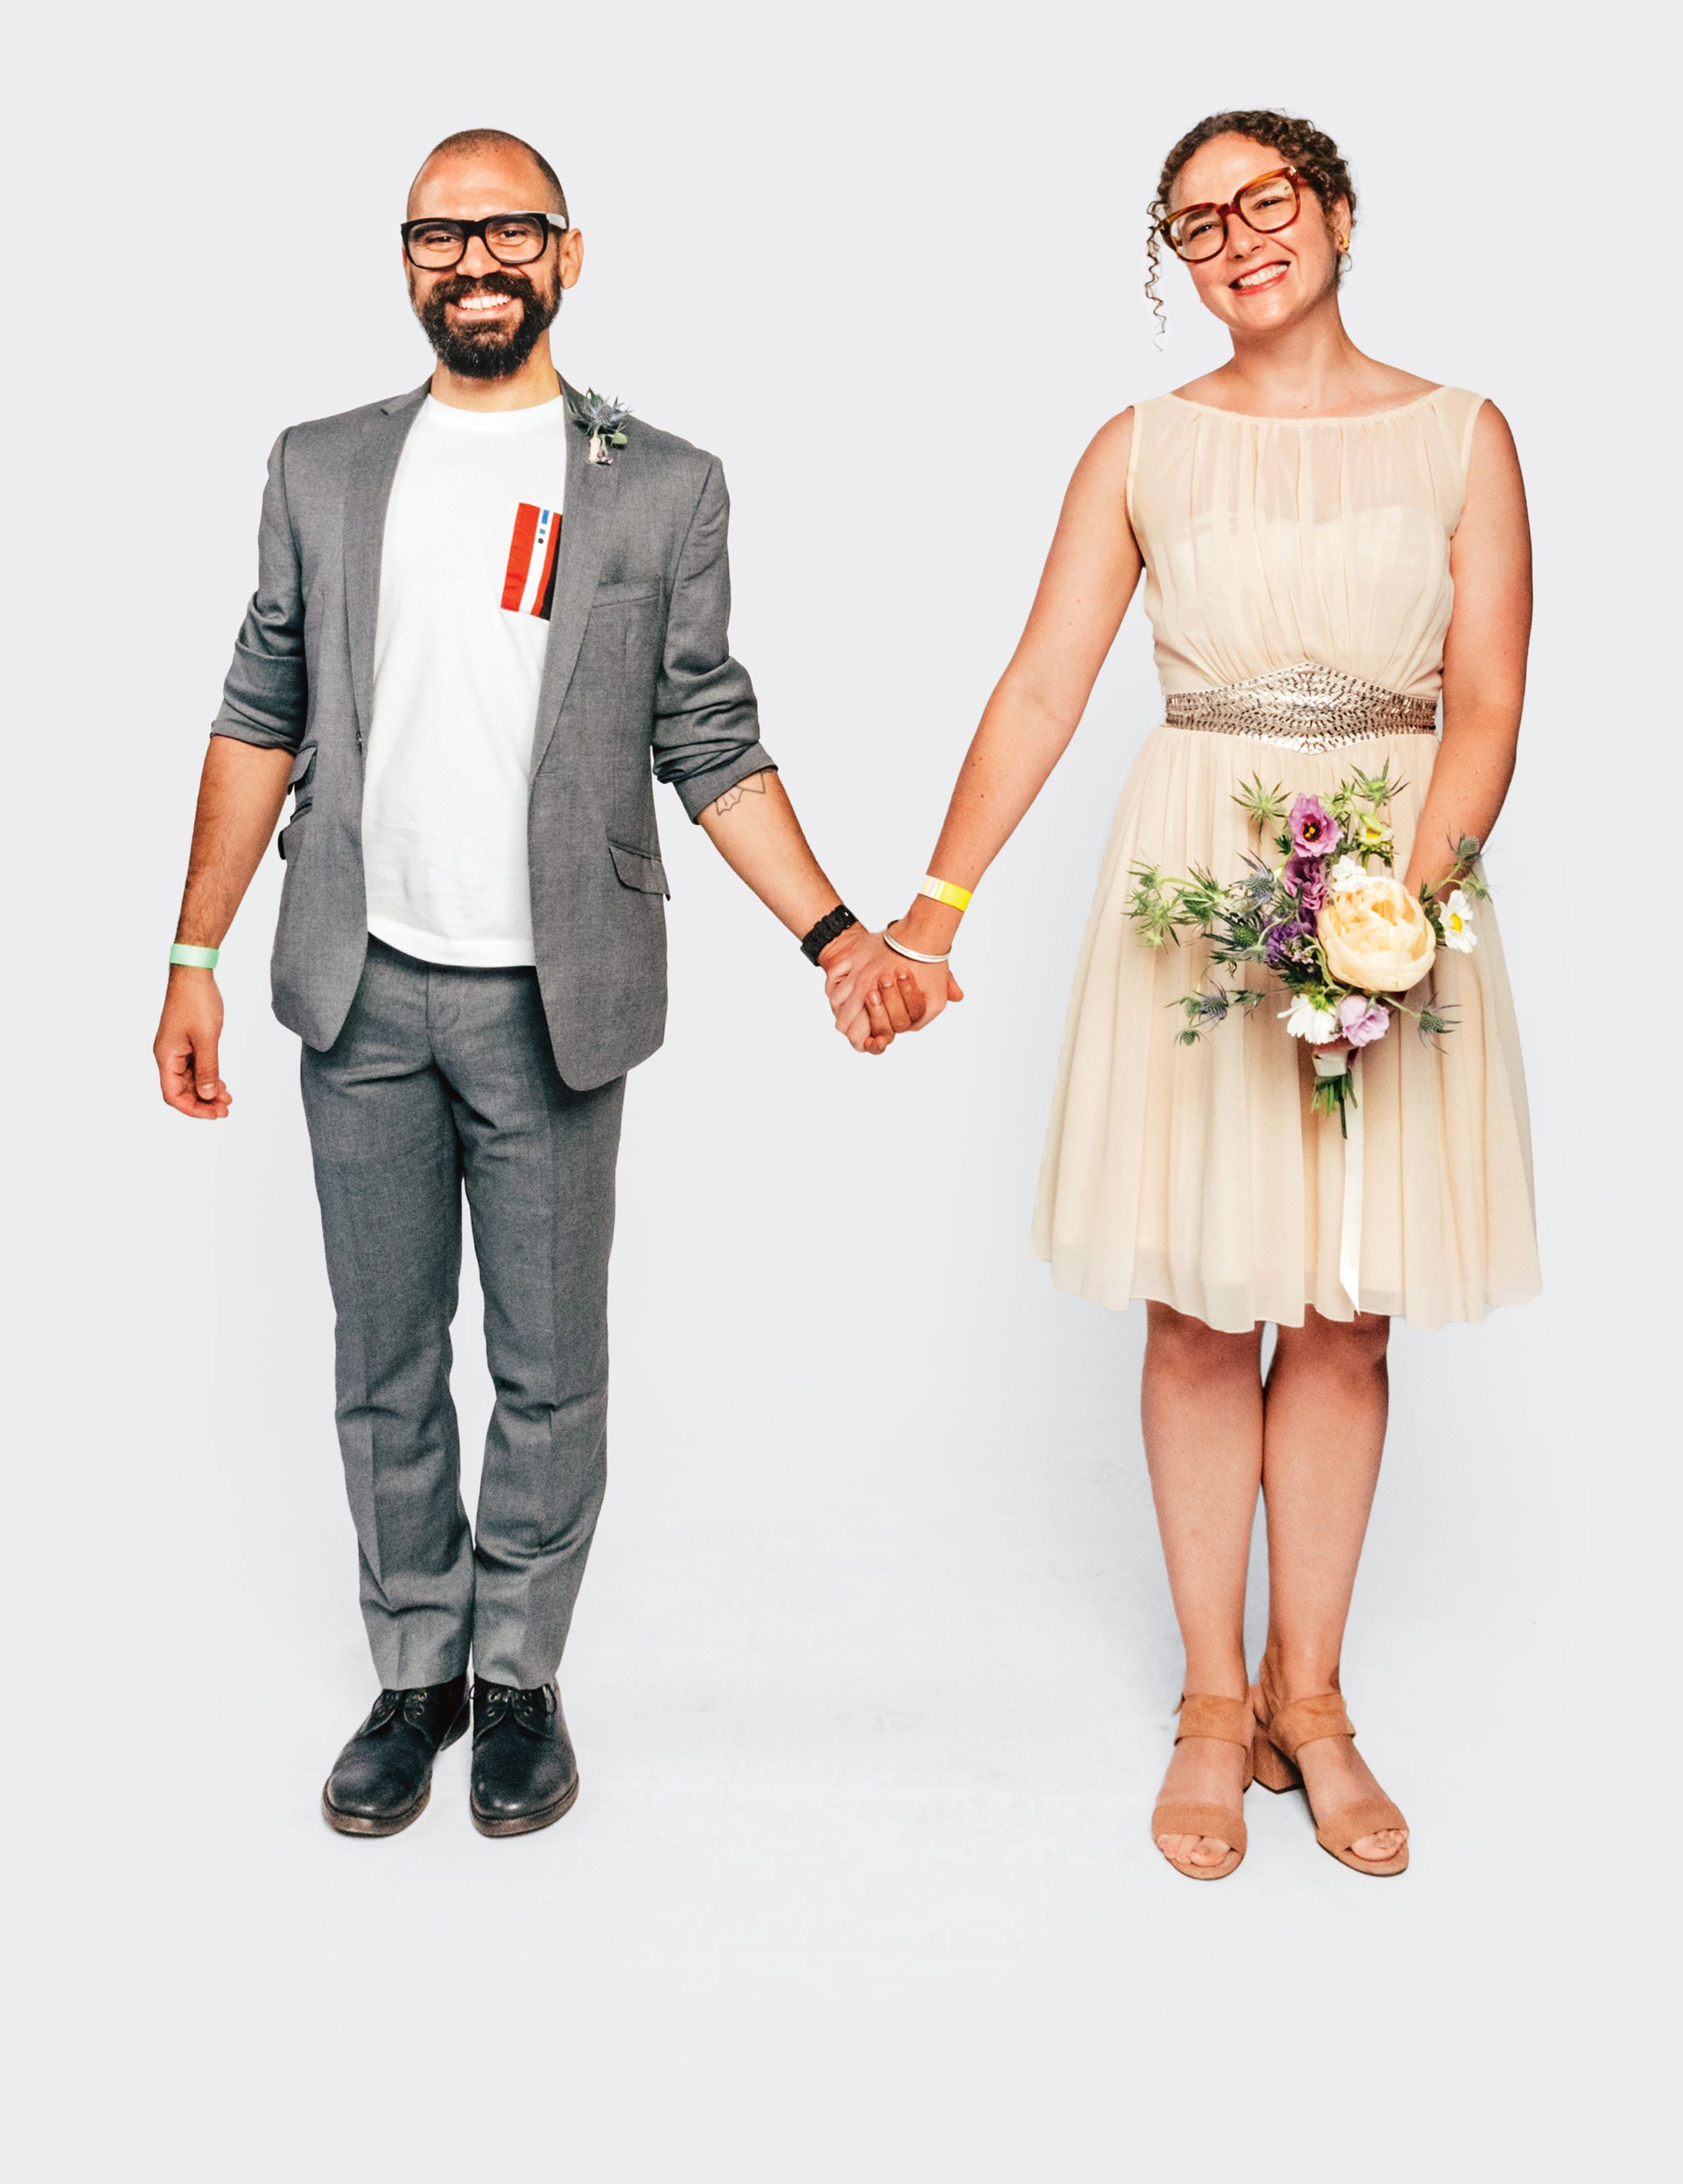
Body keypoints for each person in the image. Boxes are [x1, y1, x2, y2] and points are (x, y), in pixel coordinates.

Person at [153, 127, 930, 1839]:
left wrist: (834, 935)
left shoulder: (659, 481)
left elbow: (705, 735)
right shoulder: (320, 465)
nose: (474, 258)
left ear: (568, 256)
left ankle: (517, 1680)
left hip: (549, 1000)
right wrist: (194, 952)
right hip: (354, 987)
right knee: (381, 1356)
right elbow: (256, 714)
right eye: (440, 234)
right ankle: (412, 1671)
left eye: (509, 228)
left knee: (549, 1364)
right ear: (407, 261)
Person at [830, 110, 1540, 1878]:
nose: (1233, 239)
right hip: (1194, 873)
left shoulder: (1463, 433)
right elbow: (1041, 681)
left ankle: (1317, 1695)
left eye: (1264, 202)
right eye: (1193, 221)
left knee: (1349, 1297)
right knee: (1199, 1304)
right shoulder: (1138, 445)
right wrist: (928, 911)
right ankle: (1212, 1699)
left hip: (1384, 877)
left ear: (1339, 214)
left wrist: (1397, 912)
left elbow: (1489, 699)